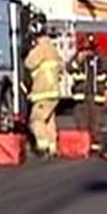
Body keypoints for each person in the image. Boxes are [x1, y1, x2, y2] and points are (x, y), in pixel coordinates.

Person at [67, 34, 107, 160]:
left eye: (90, 48)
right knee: (82, 124)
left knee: (96, 126)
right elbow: (69, 68)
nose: (88, 51)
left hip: (97, 98)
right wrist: (78, 59)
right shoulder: (78, 59)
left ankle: (96, 147)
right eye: (86, 48)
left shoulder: (102, 59)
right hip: (81, 99)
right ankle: (84, 147)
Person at [23, 24, 63, 160]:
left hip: (43, 92)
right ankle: (53, 147)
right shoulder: (52, 48)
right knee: (49, 120)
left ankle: (43, 146)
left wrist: (30, 50)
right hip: (53, 92)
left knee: (36, 120)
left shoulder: (41, 49)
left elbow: (29, 63)